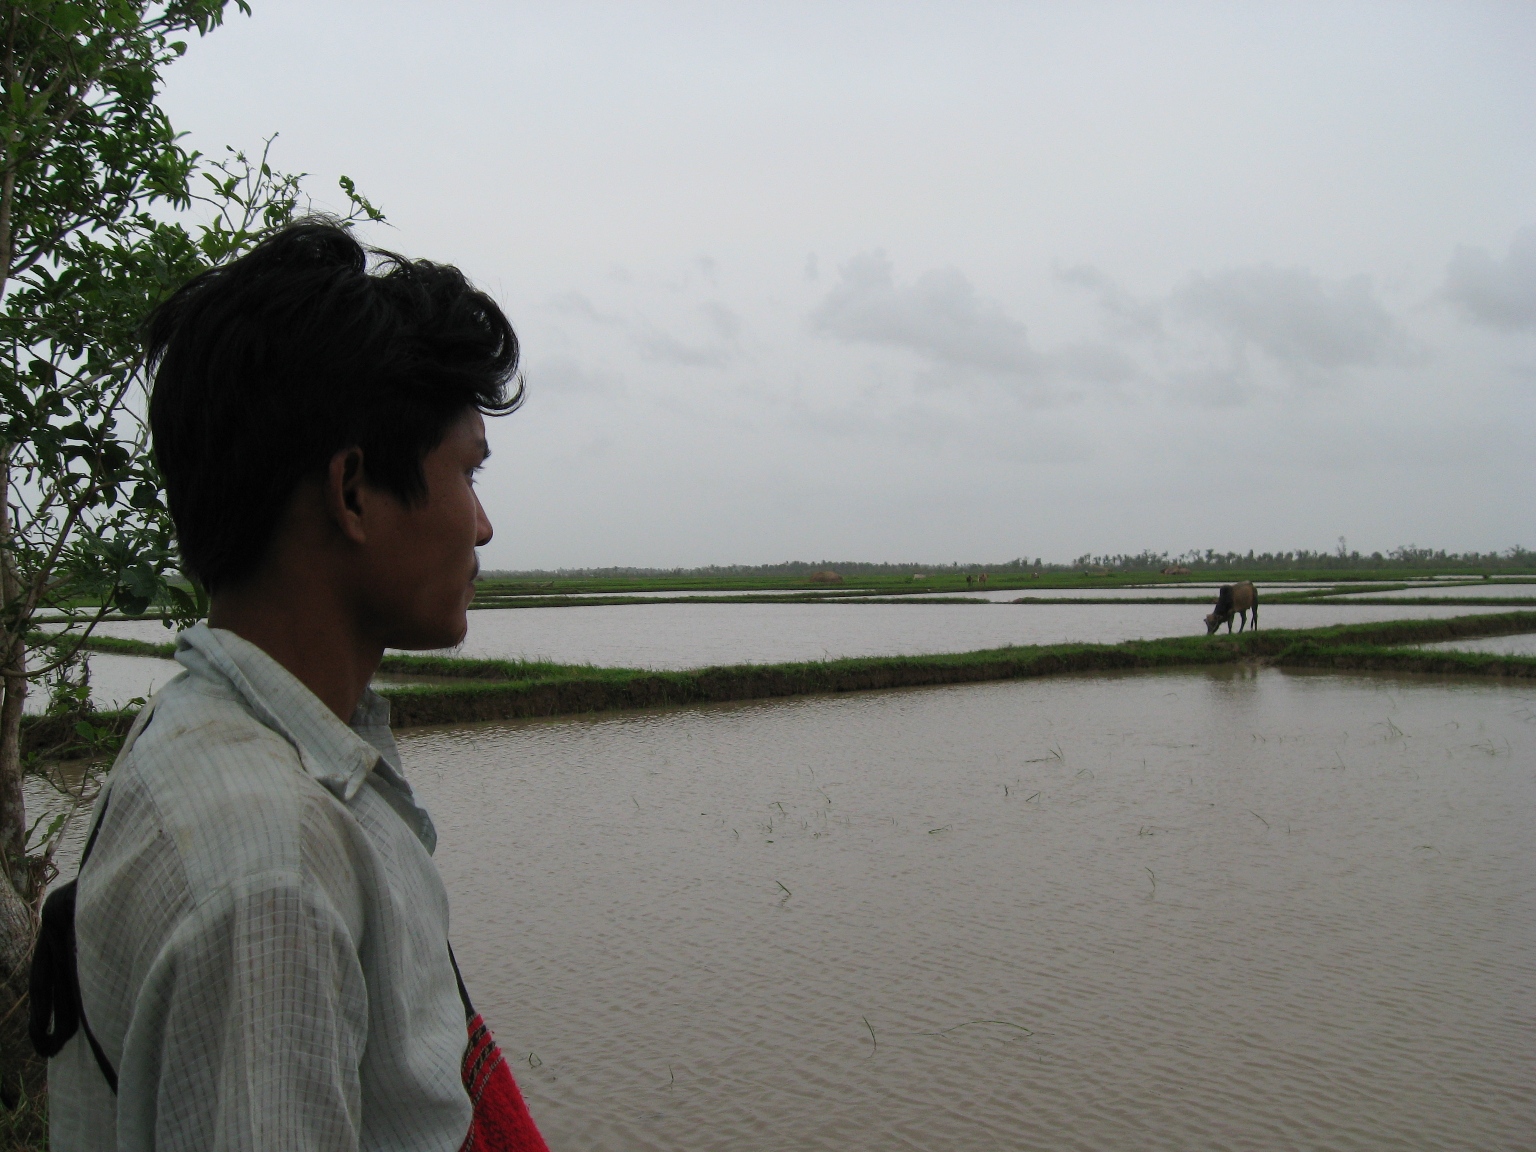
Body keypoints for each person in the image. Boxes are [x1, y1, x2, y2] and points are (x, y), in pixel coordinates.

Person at [42, 220, 547, 1150]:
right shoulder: (269, 882)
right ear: (353, 490)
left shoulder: (216, 730)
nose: (481, 528)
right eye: (467, 473)